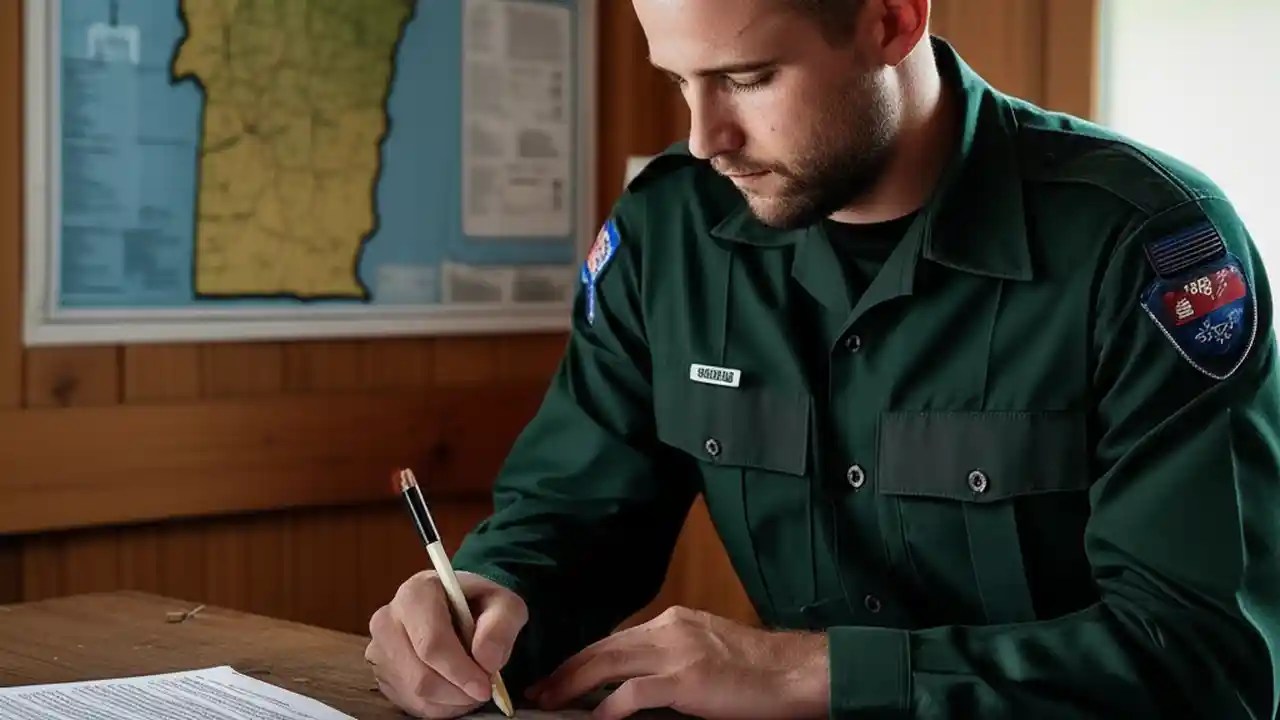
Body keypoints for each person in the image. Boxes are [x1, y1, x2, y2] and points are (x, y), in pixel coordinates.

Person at [365, 0, 1280, 717]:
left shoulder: (1154, 247)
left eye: (748, 77)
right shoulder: (665, 234)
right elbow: (572, 515)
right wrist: (486, 604)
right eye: (682, 81)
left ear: (892, 19)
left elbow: (1203, 661)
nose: (703, 137)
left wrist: (817, 673)